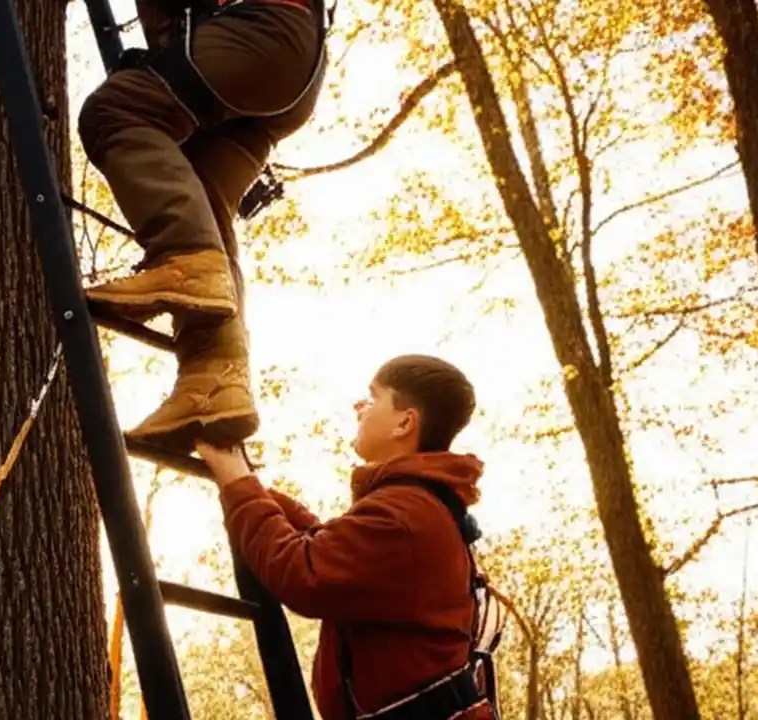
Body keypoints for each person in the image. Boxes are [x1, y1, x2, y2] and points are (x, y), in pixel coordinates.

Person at [76, 0, 327, 454]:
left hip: (252, 36)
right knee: (204, 199)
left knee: (115, 112)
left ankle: (186, 262)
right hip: (287, 64)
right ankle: (213, 381)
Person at [195, 354, 504, 719]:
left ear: (404, 422)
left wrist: (237, 481)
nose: (360, 407)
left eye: (373, 398)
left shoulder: (403, 515)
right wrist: (248, 487)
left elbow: (304, 570)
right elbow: (327, 545)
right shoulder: (415, 507)